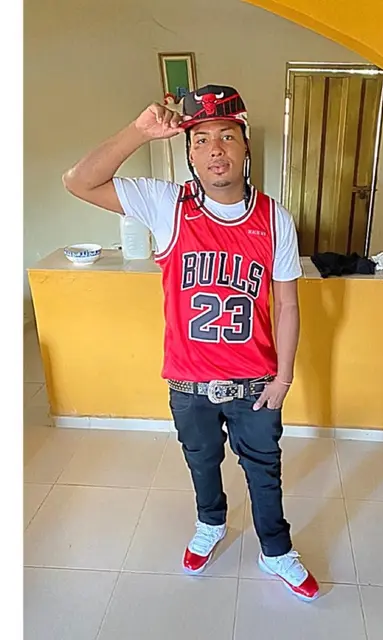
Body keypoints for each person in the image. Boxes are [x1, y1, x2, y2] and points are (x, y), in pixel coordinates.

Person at [63, 84, 319, 601]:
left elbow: (288, 305)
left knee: (264, 469)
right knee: (202, 462)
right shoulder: (167, 205)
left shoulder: (275, 219)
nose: (215, 149)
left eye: (227, 136)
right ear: (190, 154)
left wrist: (283, 377)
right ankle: (211, 523)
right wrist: (139, 131)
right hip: (188, 380)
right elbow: (79, 181)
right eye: (201, 140)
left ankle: (276, 550)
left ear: (245, 145)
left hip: (255, 381)